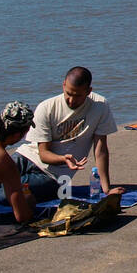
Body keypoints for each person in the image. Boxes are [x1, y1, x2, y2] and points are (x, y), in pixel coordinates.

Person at [17, 67, 123, 197]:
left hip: (52, 175)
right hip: (24, 157)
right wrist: (63, 159)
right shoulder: (46, 107)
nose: (72, 100)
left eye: (78, 96)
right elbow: (43, 154)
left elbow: (100, 151)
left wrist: (106, 189)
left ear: (89, 91)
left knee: (7, 192)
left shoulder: (100, 106)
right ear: (63, 85)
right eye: (68, 94)